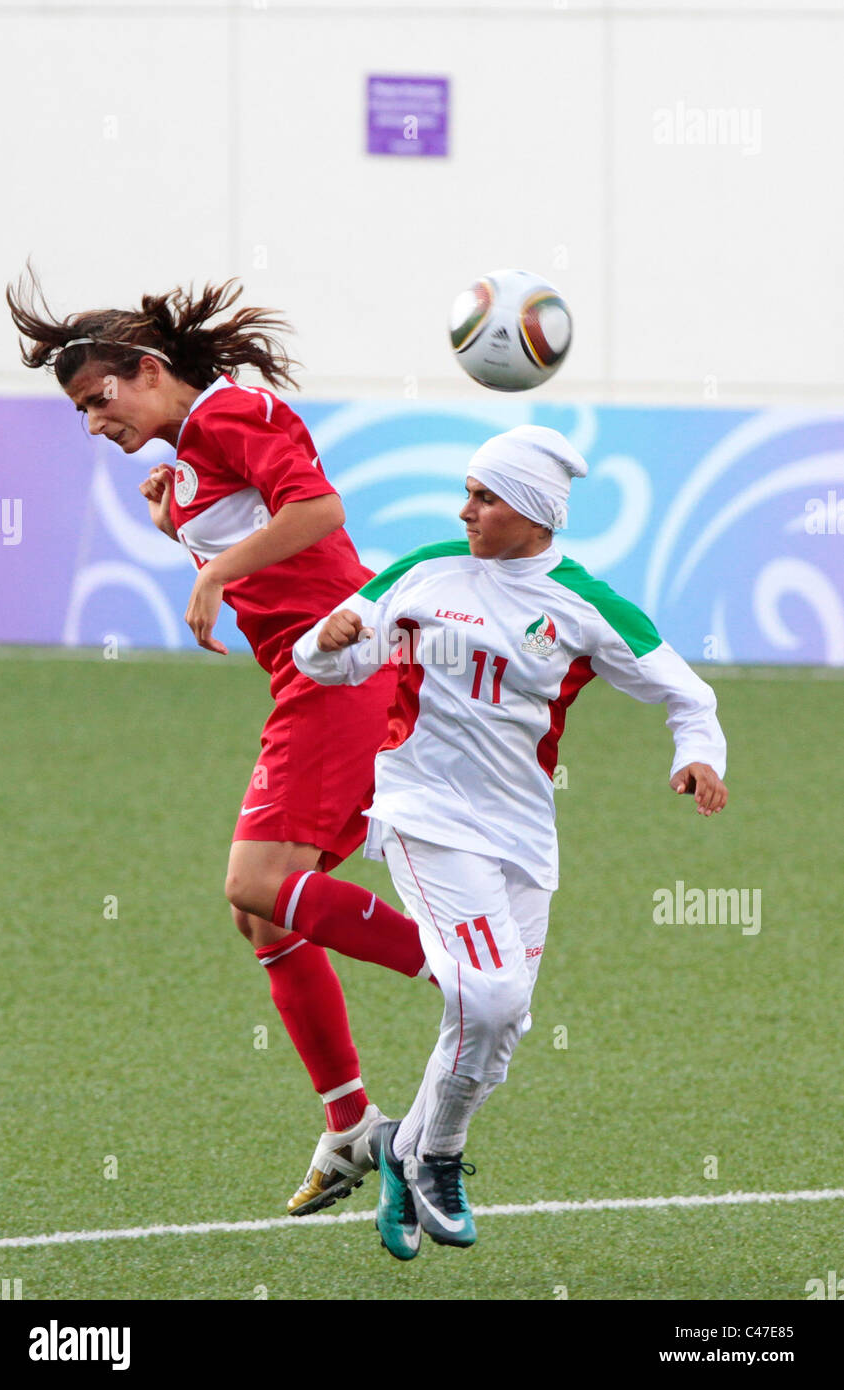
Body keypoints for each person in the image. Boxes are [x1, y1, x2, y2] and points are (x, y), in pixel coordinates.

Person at [5, 270, 434, 1216]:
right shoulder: (193, 455)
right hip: (313, 679)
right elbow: (268, 540)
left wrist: (211, 575)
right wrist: (184, 538)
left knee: (250, 884)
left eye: (97, 399)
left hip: (342, 668)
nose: (92, 424)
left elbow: (319, 511)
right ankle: (354, 1123)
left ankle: (462, 970)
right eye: (79, 412)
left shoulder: (231, 411)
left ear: (147, 370)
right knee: (265, 916)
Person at [277, 424, 728, 1259]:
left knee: (504, 1019)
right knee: (482, 996)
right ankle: (437, 1159)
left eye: (484, 497)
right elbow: (326, 664)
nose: (466, 510)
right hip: (423, 814)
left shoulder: (585, 604)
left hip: (521, 833)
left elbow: (688, 697)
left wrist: (696, 756)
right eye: (468, 493)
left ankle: (401, 1150)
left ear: (531, 510)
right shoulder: (425, 570)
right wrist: (325, 641)